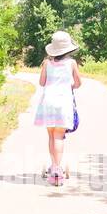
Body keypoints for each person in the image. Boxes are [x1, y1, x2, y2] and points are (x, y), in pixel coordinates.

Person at [33, 30, 82, 186]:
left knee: (51, 135)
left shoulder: (47, 63)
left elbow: (42, 82)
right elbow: (78, 83)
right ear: (68, 48)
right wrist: (69, 86)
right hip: (63, 103)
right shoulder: (72, 63)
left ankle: (53, 166)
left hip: (48, 103)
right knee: (59, 136)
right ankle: (57, 169)